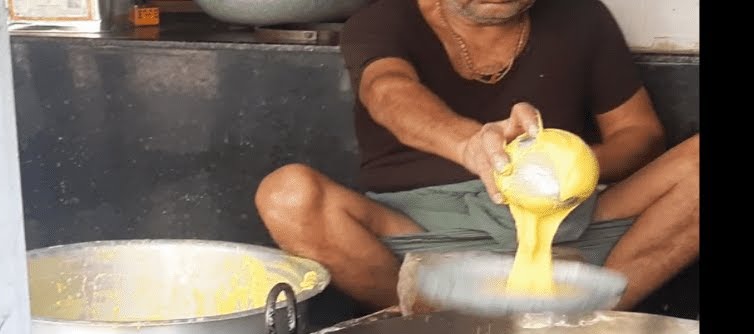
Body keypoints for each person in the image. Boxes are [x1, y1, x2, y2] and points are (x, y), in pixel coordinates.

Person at [254, 0, 699, 311]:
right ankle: (425, 327)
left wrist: (564, 164)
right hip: (424, 233)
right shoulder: (384, 19)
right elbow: (387, 91)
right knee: (286, 195)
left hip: (568, 220)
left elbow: (640, 133)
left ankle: (588, 320)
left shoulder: (581, 15)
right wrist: (470, 145)